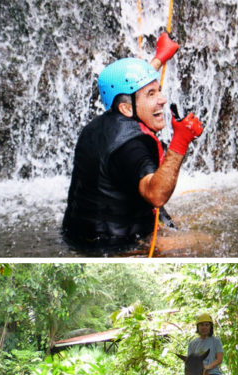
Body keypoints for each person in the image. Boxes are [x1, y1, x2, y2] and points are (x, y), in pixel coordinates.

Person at [62, 32, 204, 253]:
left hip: (79, 234)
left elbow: (131, 89)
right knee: (207, 241)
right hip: (116, 245)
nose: (163, 99)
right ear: (126, 108)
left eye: (159, 90)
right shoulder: (132, 144)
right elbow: (156, 195)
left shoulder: (100, 124)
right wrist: (180, 142)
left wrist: (159, 58)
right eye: (152, 94)